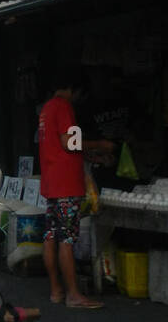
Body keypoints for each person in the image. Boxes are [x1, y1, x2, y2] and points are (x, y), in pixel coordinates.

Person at [38, 69, 115, 309]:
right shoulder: (63, 106)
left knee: (51, 236)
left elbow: (59, 146)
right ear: (75, 89)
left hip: (51, 182)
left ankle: (56, 291)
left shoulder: (46, 108)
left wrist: (91, 154)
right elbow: (69, 142)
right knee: (67, 239)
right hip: (66, 185)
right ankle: (73, 295)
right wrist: (101, 145)